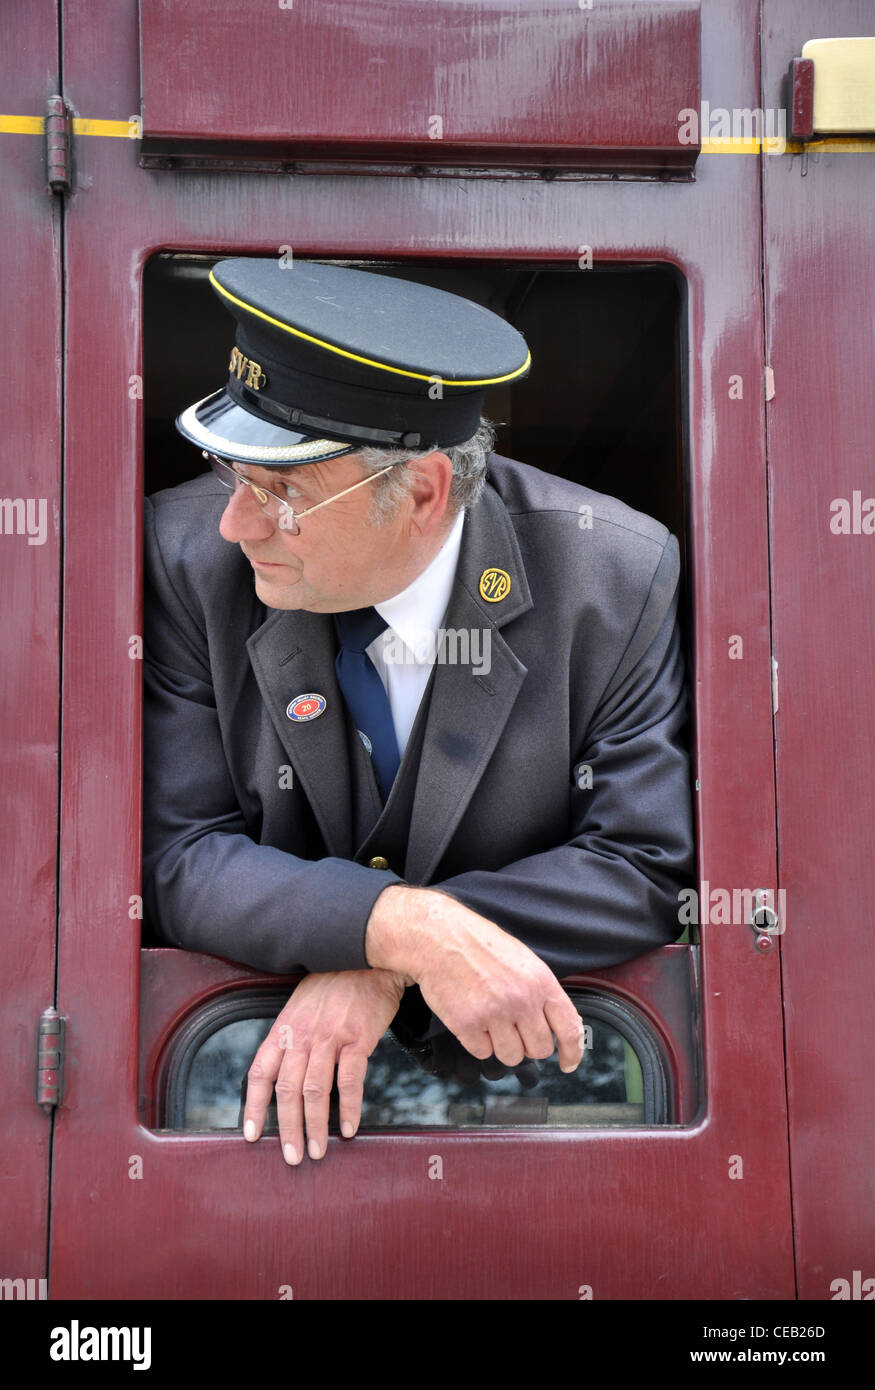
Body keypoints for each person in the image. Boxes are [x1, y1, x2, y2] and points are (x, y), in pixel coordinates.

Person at [143, 257, 695, 1167]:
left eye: (281, 493)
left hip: (527, 1124)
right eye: (230, 472)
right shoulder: (184, 556)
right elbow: (175, 853)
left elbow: (641, 863)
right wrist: (400, 927)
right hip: (229, 1114)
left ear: (426, 492)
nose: (235, 524)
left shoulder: (614, 576)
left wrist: (383, 960)